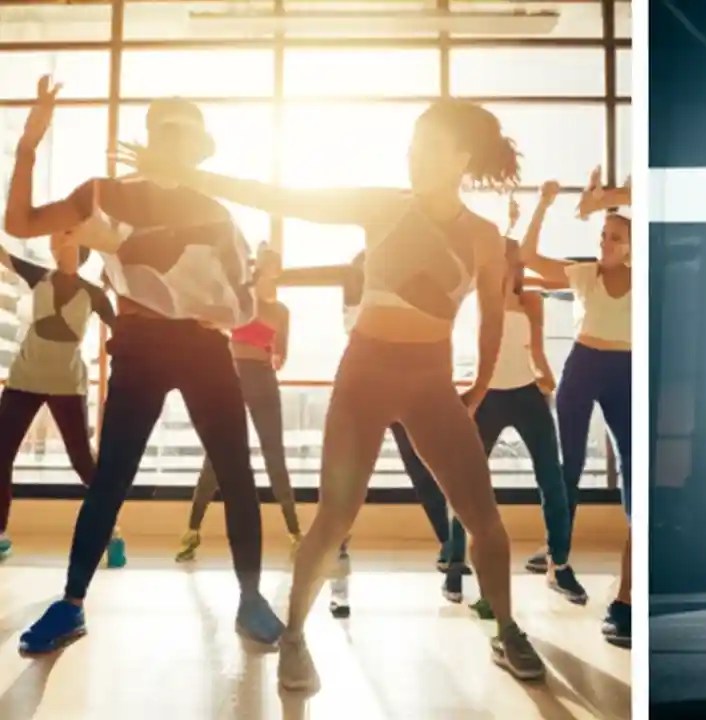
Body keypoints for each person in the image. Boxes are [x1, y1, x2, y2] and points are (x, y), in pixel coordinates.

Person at [117, 98, 546, 689]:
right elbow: (279, 197)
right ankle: (294, 636)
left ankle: (506, 629)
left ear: (460, 159)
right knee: (333, 519)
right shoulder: (381, 207)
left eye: (427, 148)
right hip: (364, 375)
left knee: (486, 521)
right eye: (411, 146)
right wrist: (188, 175)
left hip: (431, 380)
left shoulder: (484, 237)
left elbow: (493, 318)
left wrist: (475, 387)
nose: (414, 158)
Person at [4, 77, 283, 655]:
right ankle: (72, 602)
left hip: (202, 349)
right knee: (111, 477)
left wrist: (225, 312)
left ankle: (251, 597)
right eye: (164, 132)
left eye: (182, 137)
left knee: (236, 472)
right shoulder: (105, 192)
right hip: (140, 347)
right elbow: (21, 223)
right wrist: (28, 146)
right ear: (150, 136)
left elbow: (240, 300)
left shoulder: (214, 211)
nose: (172, 144)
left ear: (197, 149)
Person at [275, 252, 470, 619]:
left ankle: (451, 557)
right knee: (343, 496)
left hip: (406, 386)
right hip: (364, 390)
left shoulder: (406, 285)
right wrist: (276, 273)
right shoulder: (357, 283)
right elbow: (323, 272)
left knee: (426, 473)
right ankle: (339, 584)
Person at [436, 214, 582, 606]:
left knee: (552, 479)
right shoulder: (481, 300)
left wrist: (548, 378)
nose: (512, 266)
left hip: (527, 395)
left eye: (514, 261)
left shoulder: (532, 301)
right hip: (487, 396)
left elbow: (535, 350)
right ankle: (454, 567)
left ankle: (560, 565)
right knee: (465, 482)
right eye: (505, 259)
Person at [519, 174, 632, 647]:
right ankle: (557, 558)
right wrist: (544, 205)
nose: (606, 244)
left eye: (616, 238)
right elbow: (527, 258)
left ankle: (627, 570)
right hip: (583, 365)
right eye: (603, 236)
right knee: (570, 466)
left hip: (625, 369)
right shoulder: (584, 275)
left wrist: (608, 200)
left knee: (632, 467)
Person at [0, 232, 124, 566]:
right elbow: (3, 256)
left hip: (67, 384)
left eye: (65, 238)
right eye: (57, 240)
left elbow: (123, 329)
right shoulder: (37, 275)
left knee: (83, 460)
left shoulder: (94, 294)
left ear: (79, 249)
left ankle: (110, 532)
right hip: (24, 379)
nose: (58, 243)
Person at [176, 244, 302, 561]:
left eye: (275, 266)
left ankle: (295, 533)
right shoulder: (239, 300)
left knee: (275, 456)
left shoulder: (281, 311)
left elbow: (280, 355)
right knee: (216, 457)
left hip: (263, 380)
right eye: (267, 265)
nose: (271, 272)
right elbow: (213, 322)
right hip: (233, 378)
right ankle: (192, 531)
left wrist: (269, 349)